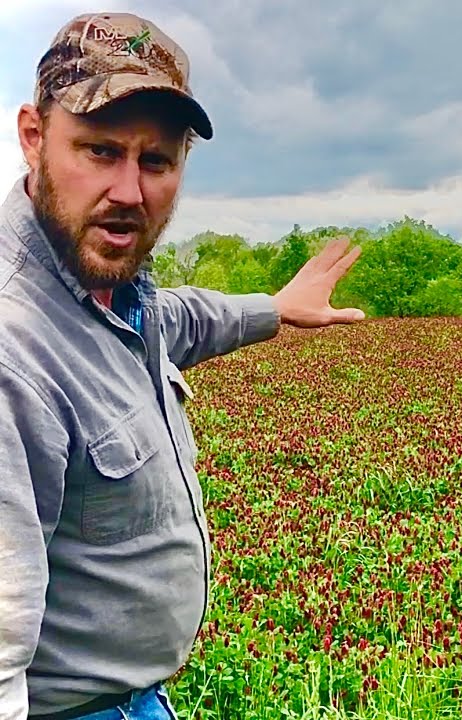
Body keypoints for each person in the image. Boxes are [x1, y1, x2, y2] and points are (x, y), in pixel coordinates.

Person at [0, 12, 365, 720]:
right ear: (34, 137)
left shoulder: (113, 294)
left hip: (138, 699)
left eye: (157, 161)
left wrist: (275, 307)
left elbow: (181, 318)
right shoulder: (15, 346)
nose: (130, 191)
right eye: (100, 151)